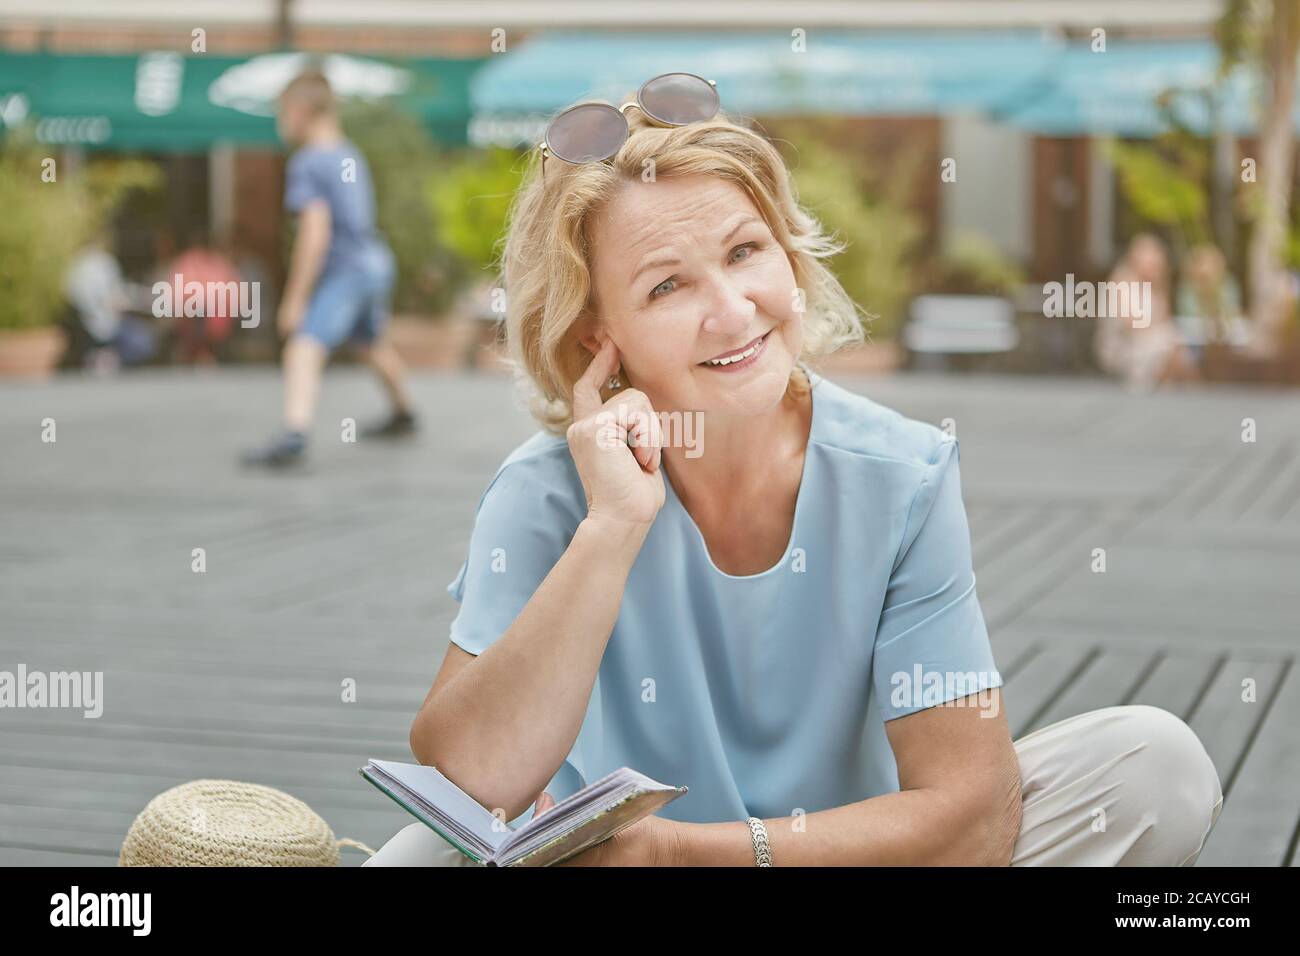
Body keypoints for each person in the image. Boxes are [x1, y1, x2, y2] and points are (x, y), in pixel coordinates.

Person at [367, 78, 1223, 866]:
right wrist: (612, 526)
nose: (734, 311)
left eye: (745, 252)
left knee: (1152, 767)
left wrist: (683, 854)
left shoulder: (901, 476)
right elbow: (475, 779)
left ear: (788, 254)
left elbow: (974, 810)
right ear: (601, 338)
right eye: (668, 287)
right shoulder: (547, 492)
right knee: (419, 855)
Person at [242, 68, 416, 468]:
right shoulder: (348, 153)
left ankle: (294, 432)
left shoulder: (308, 162)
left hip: (348, 270)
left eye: (282, 113)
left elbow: (314, 234)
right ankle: (404, 412)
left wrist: (295, 298)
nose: (280, 123)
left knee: (304, 345)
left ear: (300, 111)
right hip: (375, 262)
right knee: (370, 344)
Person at [1093, 233, 1199, 391]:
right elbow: (1130, 324)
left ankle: (1172, 385)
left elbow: (1166, 319)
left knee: (1175, 340)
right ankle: (1174, 385)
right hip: (1124, 345)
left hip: (1151, 343)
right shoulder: (1122, 281)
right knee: (1171, 341)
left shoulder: (1155, 285)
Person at [63, 229, 157, 373]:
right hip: (106, 326)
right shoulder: (104, 263)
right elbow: (115, 298)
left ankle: (103, 357)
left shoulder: (76, 266)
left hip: (85, 326)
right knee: (144, 341)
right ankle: (110, 358)